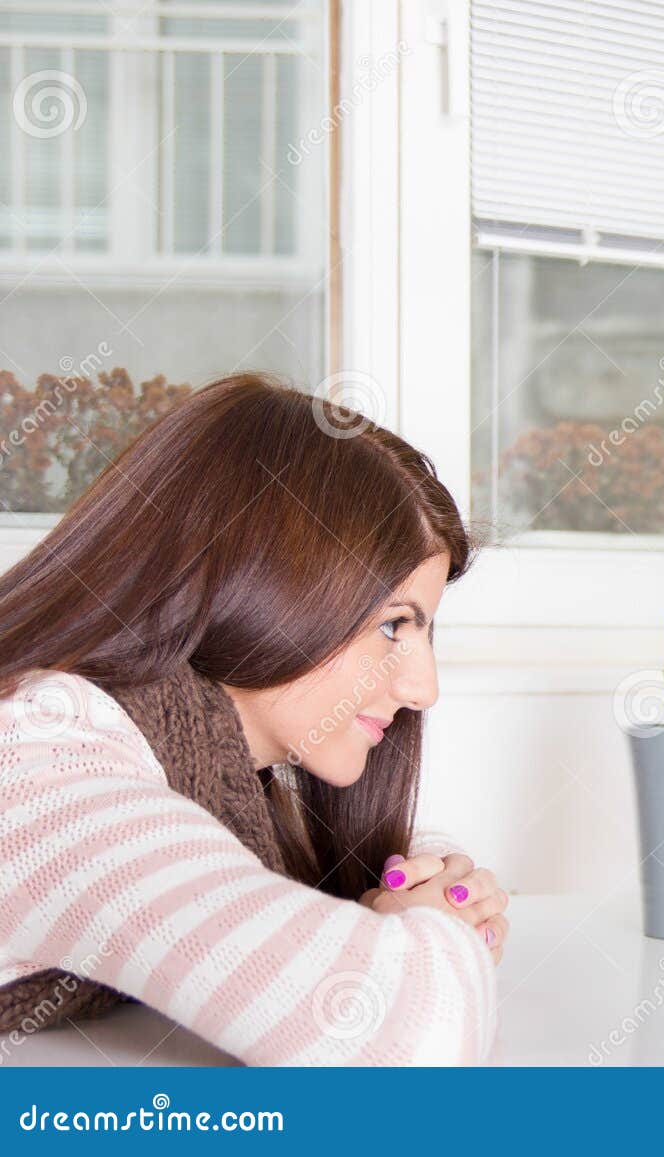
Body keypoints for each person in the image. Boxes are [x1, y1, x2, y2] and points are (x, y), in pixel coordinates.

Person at [0, 373, 508, 1065]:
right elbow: (410, 1044)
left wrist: (399, 917)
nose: (425, 687)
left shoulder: (164, 763)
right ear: (262, 582)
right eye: (394, 625)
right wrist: (426, 929)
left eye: (425, 633)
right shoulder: (48, 757)